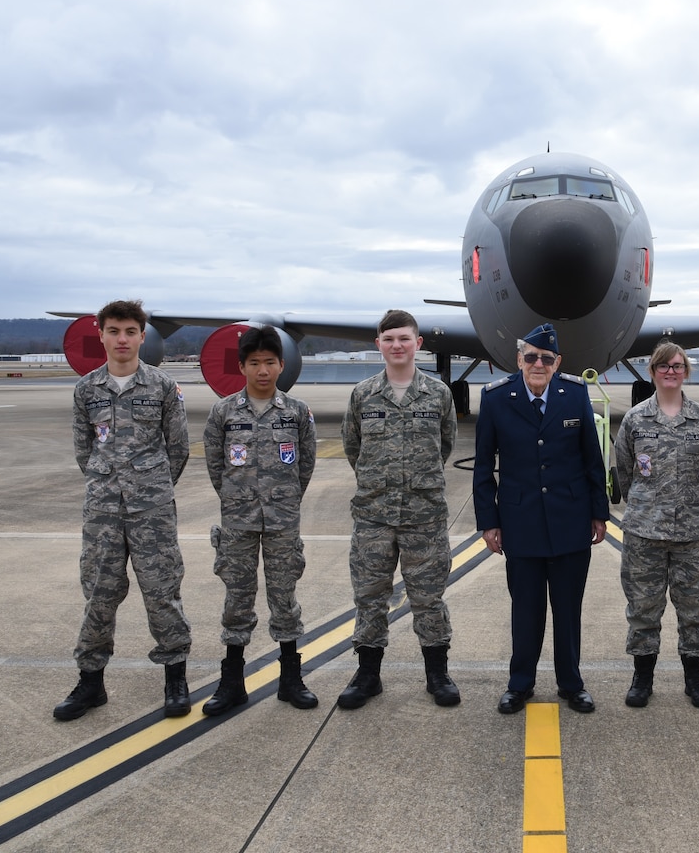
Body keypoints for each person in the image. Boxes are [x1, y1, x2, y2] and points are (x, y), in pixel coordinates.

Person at [54, 299, 193, 721]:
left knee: (162, 592)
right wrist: (107, 484)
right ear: (101, 334)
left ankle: (175, 676)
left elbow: (179, 449)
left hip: (152, 509)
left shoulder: (163, 387)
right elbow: (84, 451)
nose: (122, 339)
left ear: (142, 336)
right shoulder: (86, 389)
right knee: (99, 593)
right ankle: (91, 682)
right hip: (102, 512)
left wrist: (148, 486)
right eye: (114, 331)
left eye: (130, 331)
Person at [474, 323, 610, 714]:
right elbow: (484, 467)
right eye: (530, 357)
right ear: (519, 359)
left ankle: (571, 683)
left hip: (570, 519)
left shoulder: (575, 394)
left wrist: (598, 513)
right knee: (526, 610)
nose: (538, 364)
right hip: (520, 521)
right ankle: (520, 684)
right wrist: (489, 521)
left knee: (568, 609)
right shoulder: (498, 399)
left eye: (546, 358)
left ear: (557, 363)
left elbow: (591, 460)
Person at [337, 309, 460, 709]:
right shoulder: (363, 394)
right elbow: (353, 448)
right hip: (374, 514)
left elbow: (445, 444)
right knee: (370, 597)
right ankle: (368, 674)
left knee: (429, 597)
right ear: (379, 345)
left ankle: (437, 674)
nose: (397, 346)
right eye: (389, 339)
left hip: (424, 516)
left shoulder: (439, 394)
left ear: (417, 344)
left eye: (404, 339)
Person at [201, 325, 318, 716]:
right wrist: (238, 500)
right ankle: (232, 682)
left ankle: (291, 679)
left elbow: (305, 464)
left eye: (270, 362)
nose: (263, 370)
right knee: (237, 599)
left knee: (284, 598)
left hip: (283, 520)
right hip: (238, 520)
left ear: (281, 365)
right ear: (242, 366)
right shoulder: (223, 412)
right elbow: (216, 466)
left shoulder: (297, 412)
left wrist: (283, 500)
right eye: (255, 363)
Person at [615, 342, 699, 708]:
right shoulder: (635, 419)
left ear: (686, 371)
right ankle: (643, 678)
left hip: (693, 533)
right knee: (643, 609)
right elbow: (625, 472)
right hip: (645, 531)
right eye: (664, 366)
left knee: (695, 609)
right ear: (653, 372)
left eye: (677, 366)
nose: (671, 372)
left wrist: (683, 501)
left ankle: (695, 678)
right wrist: (649, 506)